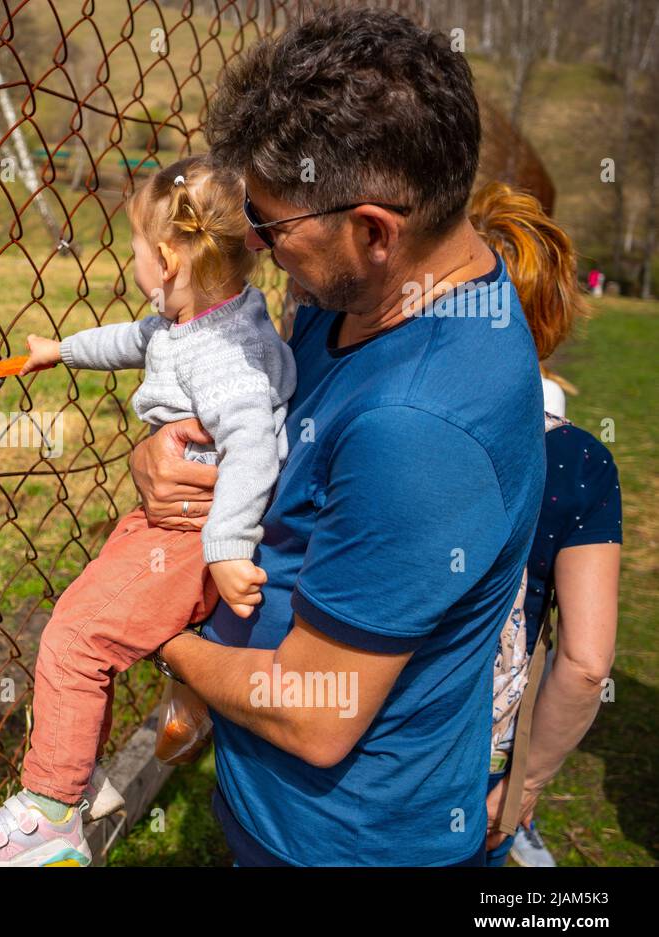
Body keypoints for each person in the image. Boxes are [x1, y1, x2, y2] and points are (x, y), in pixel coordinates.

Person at [132, 8, 545, 865]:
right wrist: (176, 447)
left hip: (343, 840)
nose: (250, 241)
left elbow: (315, 712)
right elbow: (306, 469)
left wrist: (149, 631)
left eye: (271, 224)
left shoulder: (418, 427)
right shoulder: (377, 298)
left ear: (374, 230)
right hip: (298, 812)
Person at [0, 155, 295, 867]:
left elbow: (254, 443)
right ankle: (82, 775)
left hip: (192, 535)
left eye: (133, 248)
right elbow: (132, 339)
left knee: (74, 640)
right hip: (167, 528)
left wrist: (227, 546)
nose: (131, 261)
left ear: (165, 257)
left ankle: (50, 818)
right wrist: (59, 352)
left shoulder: (224, 356)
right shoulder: (203, 316)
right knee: (87, 624)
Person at [468, 182, 621, 867]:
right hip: (484, 755)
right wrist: (527, 779)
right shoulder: (579, 462)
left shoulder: (382, 421)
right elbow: (586, 665)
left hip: (362, 724)